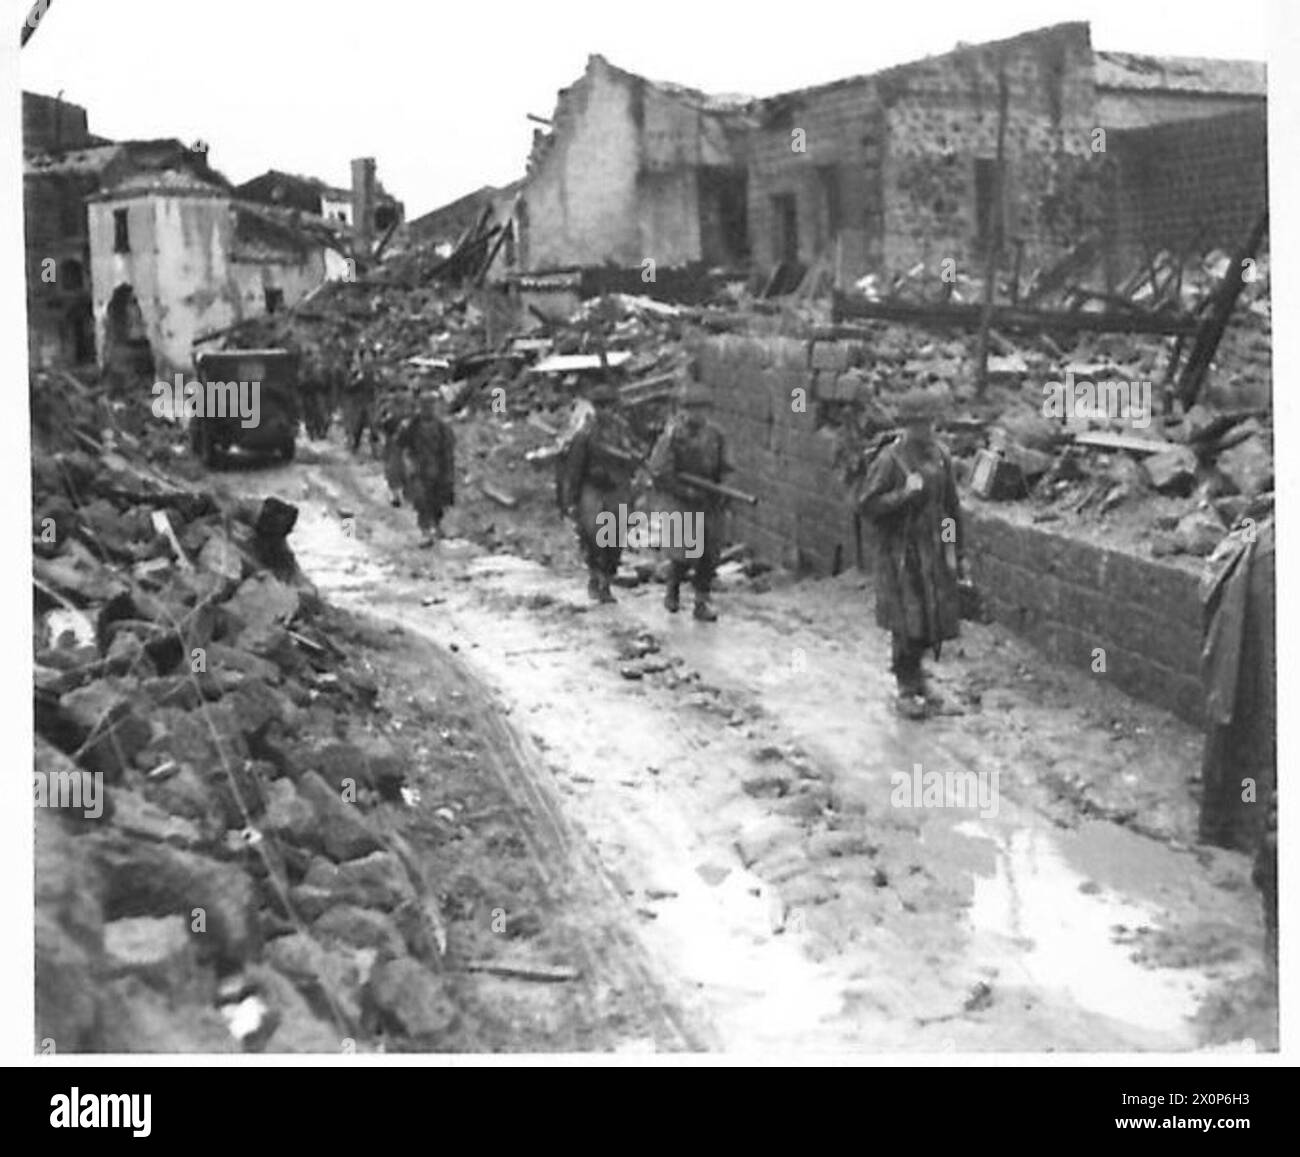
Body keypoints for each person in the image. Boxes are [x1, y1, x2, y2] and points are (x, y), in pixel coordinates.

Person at [857, 387, 965, 719]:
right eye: (918, 424)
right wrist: (903, 495)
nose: (925, 430)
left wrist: (955, 550)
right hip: (899, 554)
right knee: (906, 619)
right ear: (905, 425)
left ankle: (919, 678)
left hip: (932, 550)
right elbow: (868, 505)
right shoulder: (891, 460)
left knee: (931, 618)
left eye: (929, 422)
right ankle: (905, 686)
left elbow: (950, 508)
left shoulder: (940, 456)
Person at [648, 382, 732, 621]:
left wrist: (721, 489)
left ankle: (701, 602)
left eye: (703, 409)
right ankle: (673, 590)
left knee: (709, 554)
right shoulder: (672, 436)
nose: (698, 414)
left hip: (708, 501)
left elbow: (726, 466)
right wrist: (685, 491)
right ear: (683, 410)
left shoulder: (716, 435)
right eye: (693, 409)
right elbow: (659, 471)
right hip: (680, 501)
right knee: (683, 554)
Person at [559, 382, 636, 603]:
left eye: (609, 407)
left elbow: (633, 458)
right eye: (601, 407)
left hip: (617, 490)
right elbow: (575, 468)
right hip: (593, 490)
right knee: (592, 536)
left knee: (615, 538)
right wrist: (571, 500)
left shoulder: (623, 432)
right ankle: (595, 576)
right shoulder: (585, 435)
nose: (606, 412)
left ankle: (607, 581)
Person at [386, 390, 456, 547]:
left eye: (431, 405)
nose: (428, 409)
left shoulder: (442, 427)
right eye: (425, 405)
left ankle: (436, 526)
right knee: (421, 500)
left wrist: (449, 473)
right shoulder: (411, 425)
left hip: (437, 468)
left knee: (437, 500)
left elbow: (448, 451)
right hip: (418, 468)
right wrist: (401, 468)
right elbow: (398, 446)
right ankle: (426, 530)